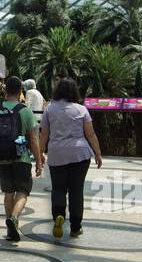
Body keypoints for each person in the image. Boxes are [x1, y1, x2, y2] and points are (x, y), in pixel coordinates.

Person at [41, 78, 103, 238]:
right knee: (76, 190)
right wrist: (97, 153)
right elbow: (90, 134)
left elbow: (44, 134)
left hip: (57, 154)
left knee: (59, 188)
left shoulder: (49, 109)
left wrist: (40, 154)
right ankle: (76, 226)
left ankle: (58, 216)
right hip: (80, 154)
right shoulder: (81, 109)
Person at [0, 76, 43, 242]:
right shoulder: (24, 111)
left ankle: (10, 230)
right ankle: (14, 218)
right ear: (20, 91)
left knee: (8, 192)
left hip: (2, 158)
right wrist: (39, 160)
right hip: (21, 158)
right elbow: (33, 138)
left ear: (5, 91)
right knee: (23, 191)